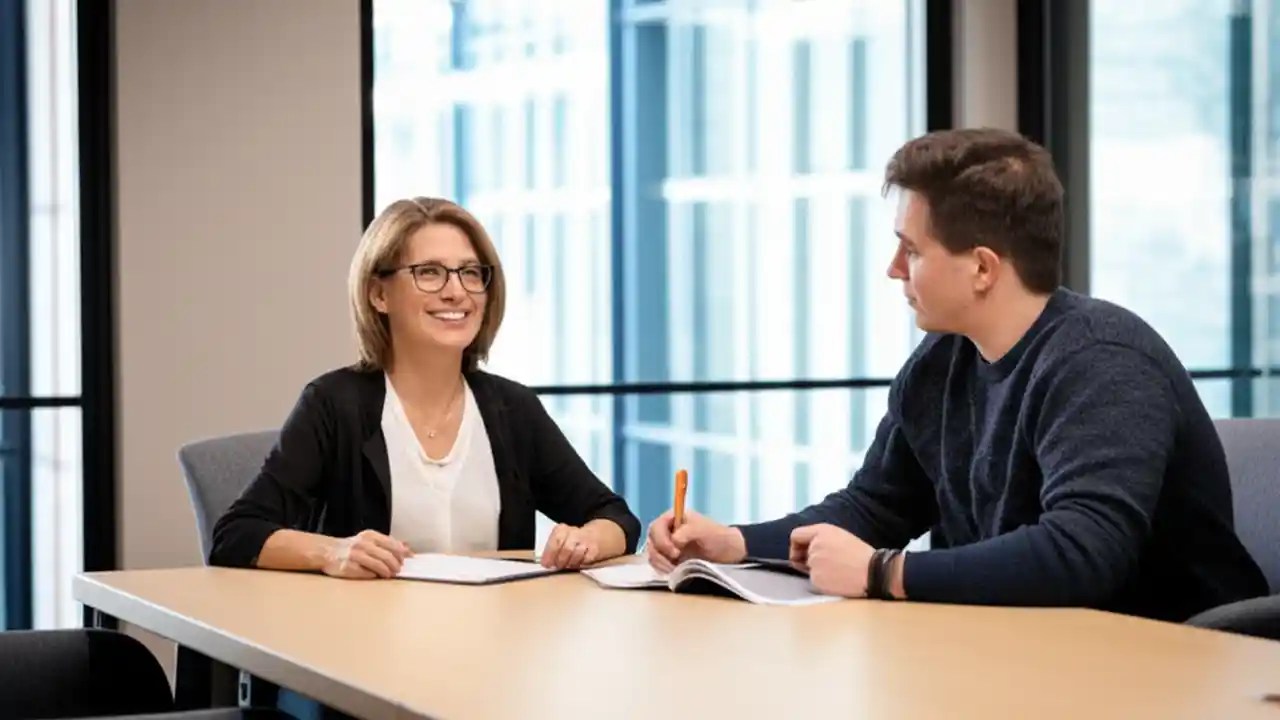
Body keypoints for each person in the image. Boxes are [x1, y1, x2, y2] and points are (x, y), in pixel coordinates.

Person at [645, 128, 1268, 621]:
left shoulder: (1101, 362)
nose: (893, 269)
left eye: (911, 250)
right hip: (1026, 646)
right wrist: (733, 544)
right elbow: (873, 508)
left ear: (982, 268)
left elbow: (1082, 553)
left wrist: (883, 573)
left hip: (1163, 663)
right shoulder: (943, 361)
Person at [210, 197, 640, 577]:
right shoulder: (333, 404)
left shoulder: (512, 408)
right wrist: (332, 551)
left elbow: (614, 518)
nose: (456, 291)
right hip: (361, 649)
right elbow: (237, 535)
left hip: (493, 649)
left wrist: (587, 542)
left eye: (471, 273)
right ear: (379, 294)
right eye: (429, 272)